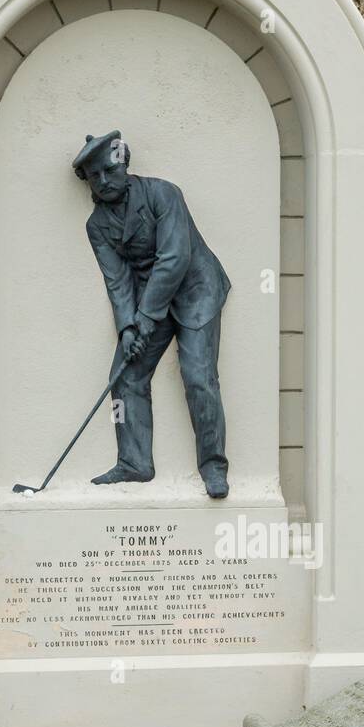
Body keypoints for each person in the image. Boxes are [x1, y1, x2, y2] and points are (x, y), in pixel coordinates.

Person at [72, 130, 231, 498]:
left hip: (196, 291)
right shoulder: (97, 225)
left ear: (123, 163)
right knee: (124, 377)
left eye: (108, 171)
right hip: (147, 305)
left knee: (198, 376)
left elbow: (175, 259)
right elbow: (117, 281)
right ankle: (134, 462)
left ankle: (213, 466)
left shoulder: (164, 193)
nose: (103, 181)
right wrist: (128, 326)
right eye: (93, 176)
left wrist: (145, 316)